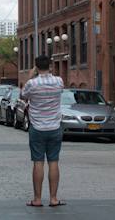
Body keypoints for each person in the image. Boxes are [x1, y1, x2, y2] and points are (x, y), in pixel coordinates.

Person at [21, 55, 66, 207]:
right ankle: (53, 199)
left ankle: (37, 199)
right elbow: (60, 91)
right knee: (54, 161)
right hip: (54, 127)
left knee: (38, 162)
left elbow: (23, 96)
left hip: (37, 128)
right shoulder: (58, 81)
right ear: (51, 66)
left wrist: (30, 76)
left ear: (36, 67)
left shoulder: (31, 84)